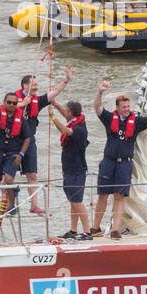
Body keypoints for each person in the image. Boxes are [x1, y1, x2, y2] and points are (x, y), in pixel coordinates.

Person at [93, 81, 147, 239]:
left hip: (124, 163)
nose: (126, 109)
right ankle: (95, 228)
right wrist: (100, 92)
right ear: (117, 108)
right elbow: (97, 107)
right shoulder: (109, 118)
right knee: (102, 195)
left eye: (127, 107)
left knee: (119, 196)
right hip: (108, 162)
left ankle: (114, 230)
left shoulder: (136, 122)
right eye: (123, 107)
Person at [16, 68, 73, 214]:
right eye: (34, 85)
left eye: (36, 84)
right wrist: (22, 104)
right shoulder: (13, 99)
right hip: (13, 142)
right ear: (25, 86)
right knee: (7, 176)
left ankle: (34, 206)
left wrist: (66, 80)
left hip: (29, 141)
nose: (37, 87)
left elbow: (54, 92)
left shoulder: (38, 100)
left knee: (32, 175)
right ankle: (9, 205)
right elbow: (2, 110)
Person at [48, 100, 91, 239]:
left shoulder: (79, 128)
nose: (64, 113)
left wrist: (53, 118)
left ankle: (87, 231)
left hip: (77, 169)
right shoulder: (74, 120)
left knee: (77, 201)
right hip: (68, 168)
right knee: (72, 200)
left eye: (66, 111)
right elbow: (64, 110)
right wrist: (54, 102)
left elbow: (65, 131)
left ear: (71, 113)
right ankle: (73, 230)